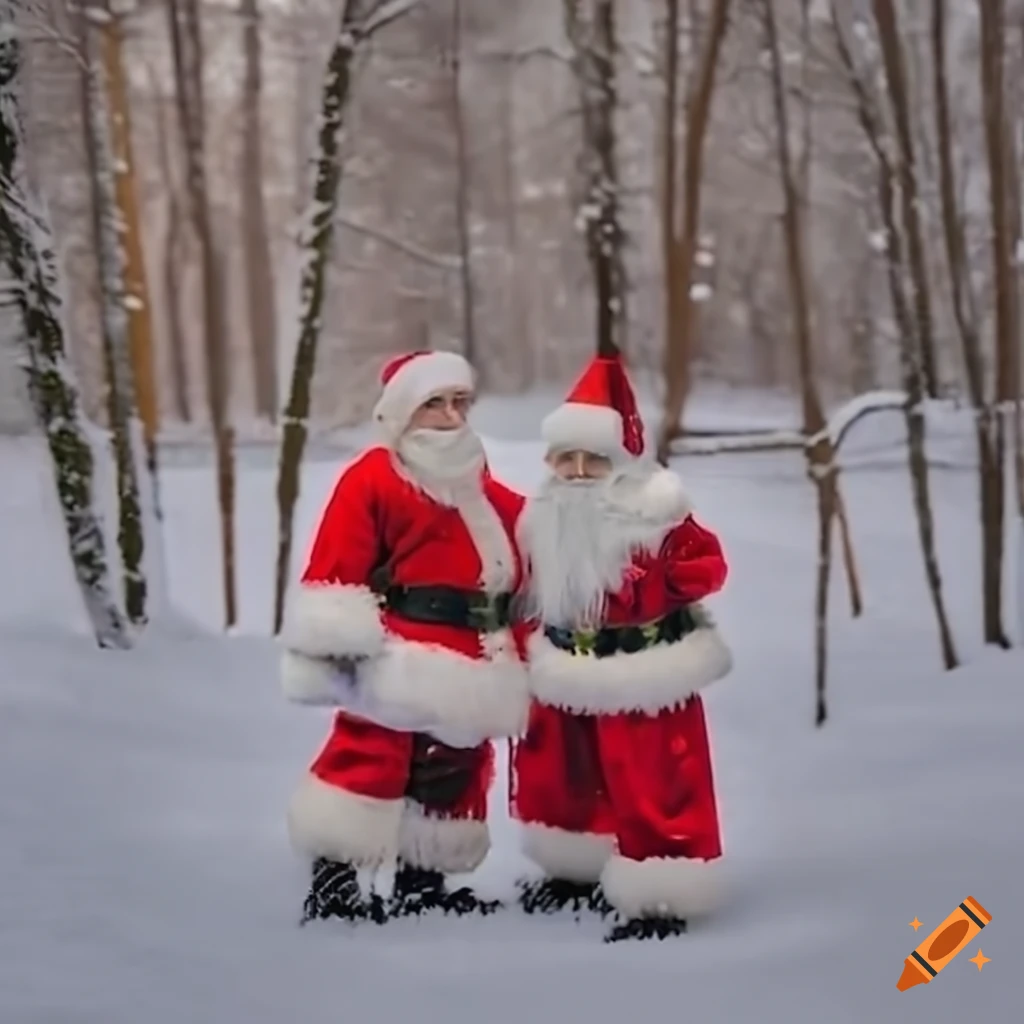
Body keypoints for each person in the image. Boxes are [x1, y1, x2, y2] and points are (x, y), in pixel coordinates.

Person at [279, 349, 530, 925]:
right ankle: (336, 883)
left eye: (458, 403)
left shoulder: (472, 473)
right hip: (400, 647)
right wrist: (336, 646)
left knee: (451, 767)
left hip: (473, 650)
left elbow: (517, 522)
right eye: (433, 405)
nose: (449, 417)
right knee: (369, 758)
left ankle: (423, 883)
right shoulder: (373, 475)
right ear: (402, 413)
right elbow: (338, 563)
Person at [510, 354, 733, 943]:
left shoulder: (654, 513)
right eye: (567, 459)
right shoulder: (541, 517)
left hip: (642, 675)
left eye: (594, 459)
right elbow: (524, 590)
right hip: (565, 673)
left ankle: (661, 892)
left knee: (653, 783)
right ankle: (574, 872)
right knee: (564, 780)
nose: (579, 472)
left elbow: (706, 566)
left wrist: (662, 575)